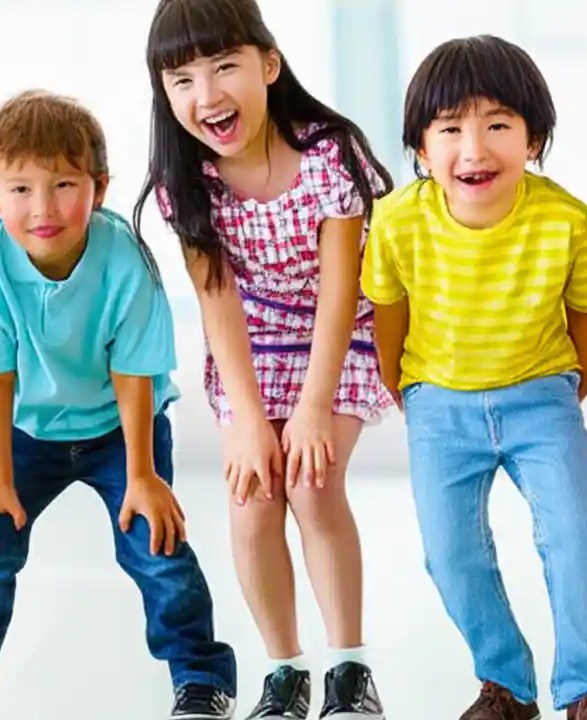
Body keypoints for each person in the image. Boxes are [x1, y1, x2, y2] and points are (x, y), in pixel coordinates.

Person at [0, 89, 238, 720]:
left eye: (65, 184)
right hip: (25, 432)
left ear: (100, 186)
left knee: (157, 548)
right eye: (20, 189)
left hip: (121, 430)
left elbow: (135, 373)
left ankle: (201, 679)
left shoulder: (123, 259)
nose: (44, 208)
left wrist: (143, 476)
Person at [360, 34, 587, 720]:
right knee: (451, 553)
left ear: (534, 139)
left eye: (498, 126)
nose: (474, 149)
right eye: (450, 129)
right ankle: (506, 684)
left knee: (575, 535)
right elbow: (387, 316)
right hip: (439, 405)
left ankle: (586, 685)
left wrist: (568, 388)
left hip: (541, 397)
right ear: (422, 149)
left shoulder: (562, 217)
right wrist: (410, 395)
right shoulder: (397, 220)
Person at [132, 0, 394, 717]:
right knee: (252, 499)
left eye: (224, 67)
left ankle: (349, 670)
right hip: (253, 343)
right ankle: (286, 672)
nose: (206, 94)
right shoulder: (184, 181)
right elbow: (219, 305)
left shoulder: (330, 153)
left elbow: (343, 293)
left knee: (312, 482)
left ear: (268, 65)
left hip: (341, 336)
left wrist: (312, 409)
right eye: (181, 78)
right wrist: (248, 418)